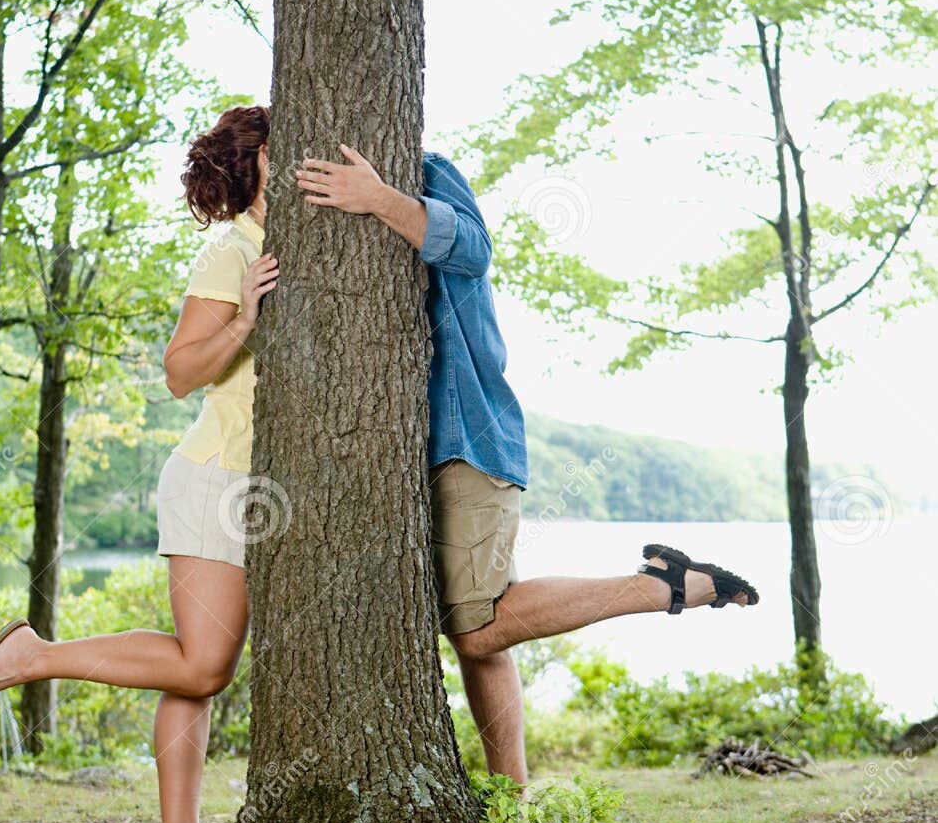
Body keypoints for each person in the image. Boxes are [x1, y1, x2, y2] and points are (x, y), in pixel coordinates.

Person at [294, 146, 758, 786]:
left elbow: (472, 250)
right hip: (418, 450)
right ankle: (511, 799)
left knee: (478, 626)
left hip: (463, 437)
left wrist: (379, 198)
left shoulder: (424, 168)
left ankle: (665, 586)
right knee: (484, 629)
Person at [0, 105, 279, 823]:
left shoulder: (283, 246)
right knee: (202, 668)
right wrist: (246, 321)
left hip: (256, 488)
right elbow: (180, 370)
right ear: (250, 164)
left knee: (189, 668)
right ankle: (33, 655)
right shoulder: (231, 250)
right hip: (216, 477)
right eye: (278, 150)